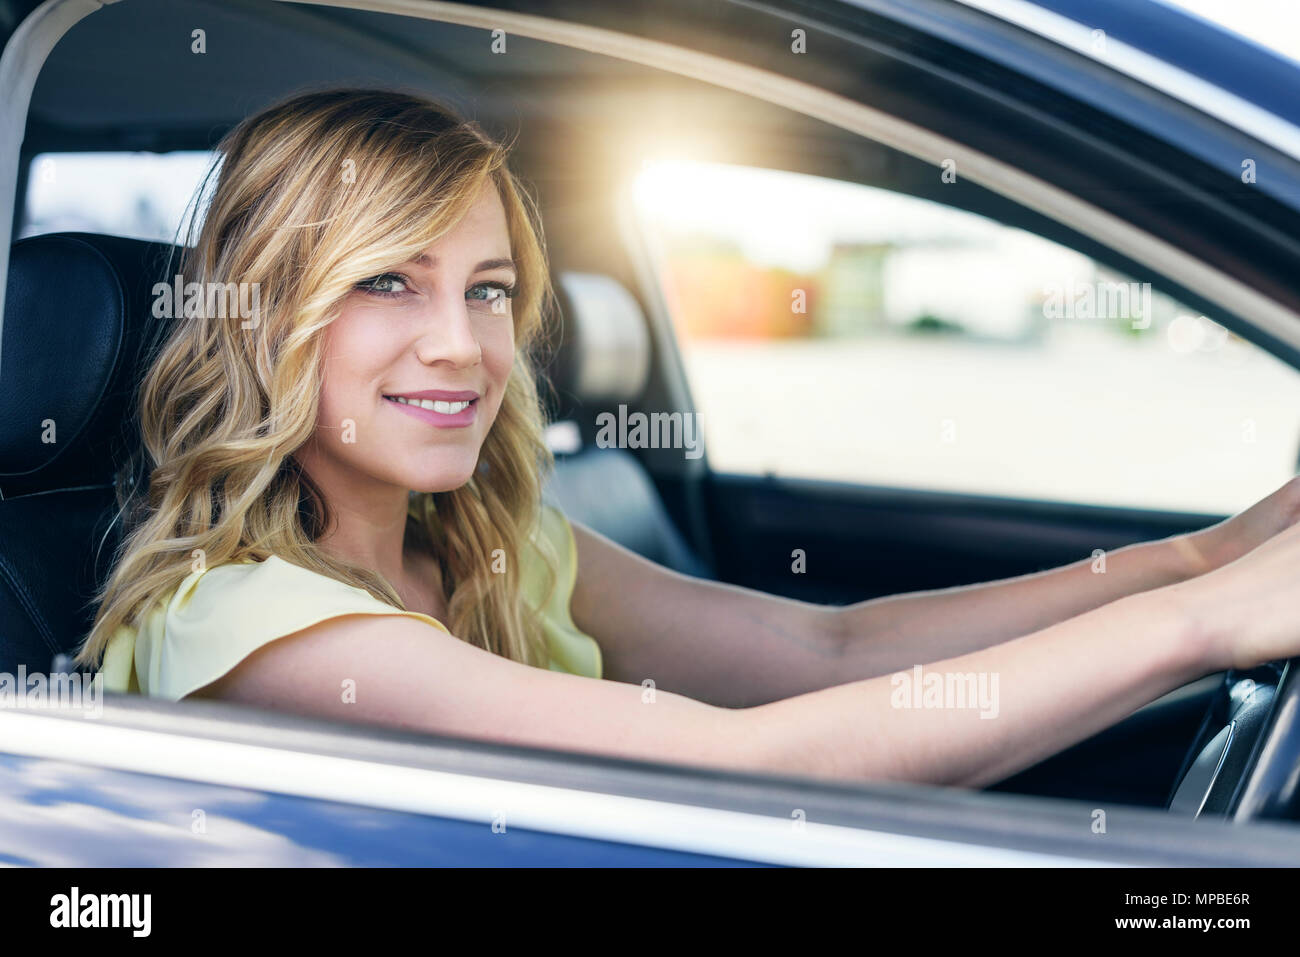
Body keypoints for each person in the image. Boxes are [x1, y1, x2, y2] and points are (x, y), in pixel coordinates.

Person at [79, 88, 1300, 788]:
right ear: (265, 315)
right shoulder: (243, 625)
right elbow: (762, 762)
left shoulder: (495, 542)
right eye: (389, 283)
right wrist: (1205, 626)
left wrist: (1202, 559)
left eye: (490, 289)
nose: (462, 344)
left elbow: (825, 653)